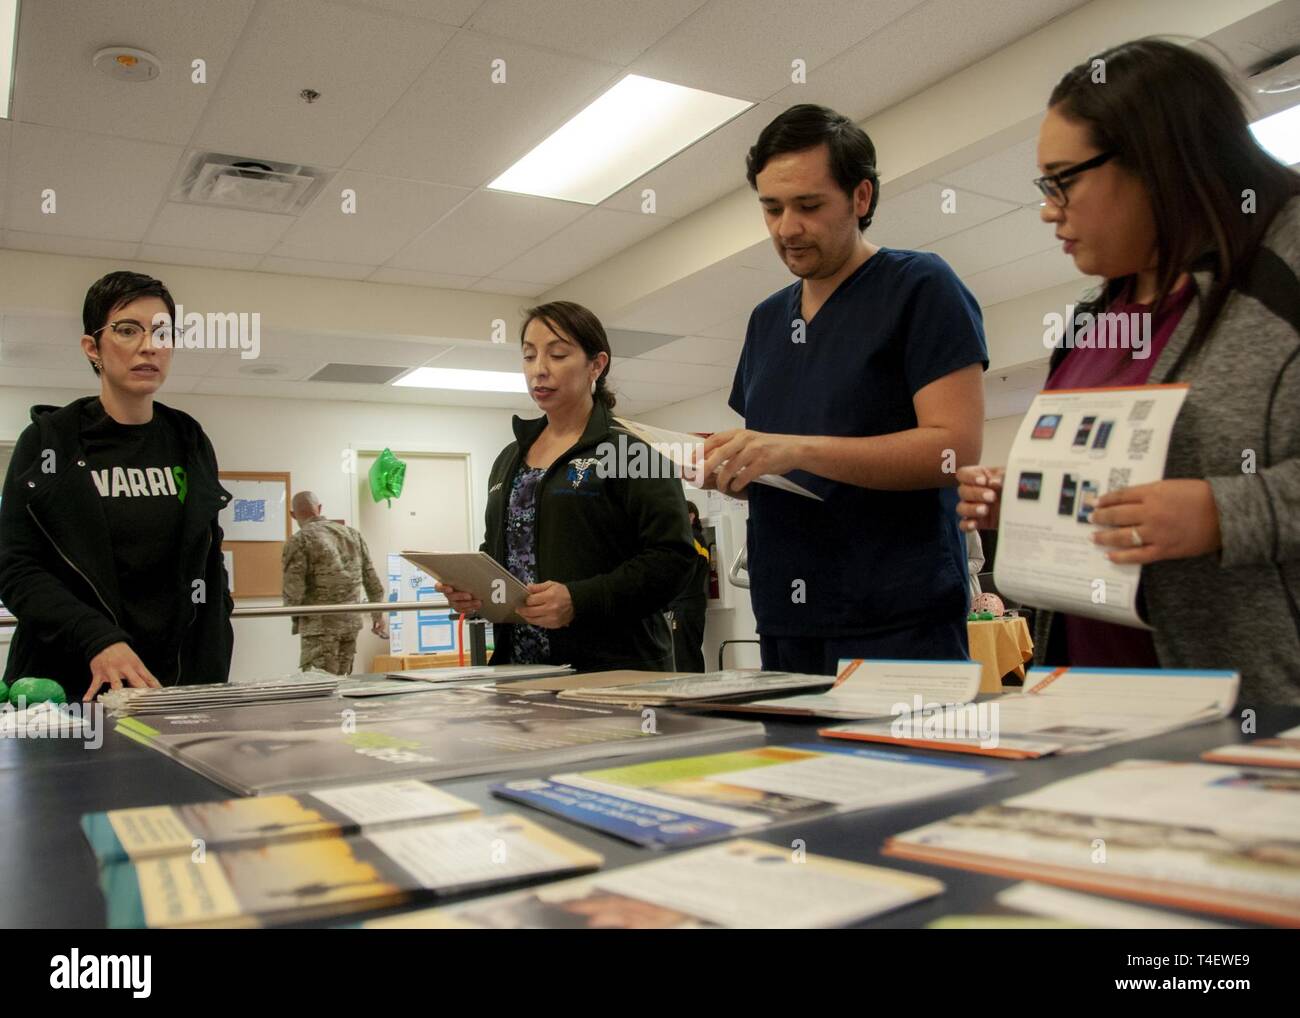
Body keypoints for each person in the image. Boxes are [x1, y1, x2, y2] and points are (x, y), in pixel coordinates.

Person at [956, 38, 1300, 704]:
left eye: (1064, 180)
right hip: (1098, 702)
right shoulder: (1094, 317)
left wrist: (1227, 512)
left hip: (1258, 710)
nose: (1048, 209)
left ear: (1154, 160)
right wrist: (1028, 499)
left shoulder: (1285, 265)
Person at [699, 104, 988, 676]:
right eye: (771, 208)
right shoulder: (765, 322)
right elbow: (783, 474)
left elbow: (954, 450)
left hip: (897, 617)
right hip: (787, 616)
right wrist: (735, 470)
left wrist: (797, 449)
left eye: (808, 206)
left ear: (861, 198)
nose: (787, 228)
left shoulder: (920, 287)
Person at [0, 271, 233, 701]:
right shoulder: (50, 441)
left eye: (162, 332)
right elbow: (15, 568)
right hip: (69, 684)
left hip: (174, 686)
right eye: (127, 330)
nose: (149, 345)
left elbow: (207, 558)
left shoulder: (189, 439)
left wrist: (214, 654)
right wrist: (97, 639)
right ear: (94, 348)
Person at [437, 301, 695, 673]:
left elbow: (673, 560)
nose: (539, 370)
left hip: (612, 670)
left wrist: (580, 600)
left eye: (557, 354)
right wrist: (475, 590)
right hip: (519, 671)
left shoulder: (630, 450)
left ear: (597, 364)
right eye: (528, 356)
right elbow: (503, 552)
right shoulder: (510, 458)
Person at [281, 491, 387, 675]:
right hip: (350, 623)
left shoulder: (300, 540)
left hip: (318, 626)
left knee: (319, 685)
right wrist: (378, 615)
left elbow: (293, 590)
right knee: (343, 683)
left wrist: (296, 618)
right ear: (319, 508)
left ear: (292, 514)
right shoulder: (353, 535)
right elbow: (372, 580)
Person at [666, 500, 711, 671]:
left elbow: (681, 570)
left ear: (691, 516)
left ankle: (691, 692)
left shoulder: (692, 538)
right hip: (691, 604)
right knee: (689, 653)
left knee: (686, 656)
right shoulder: (698, 538)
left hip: (686, 605)